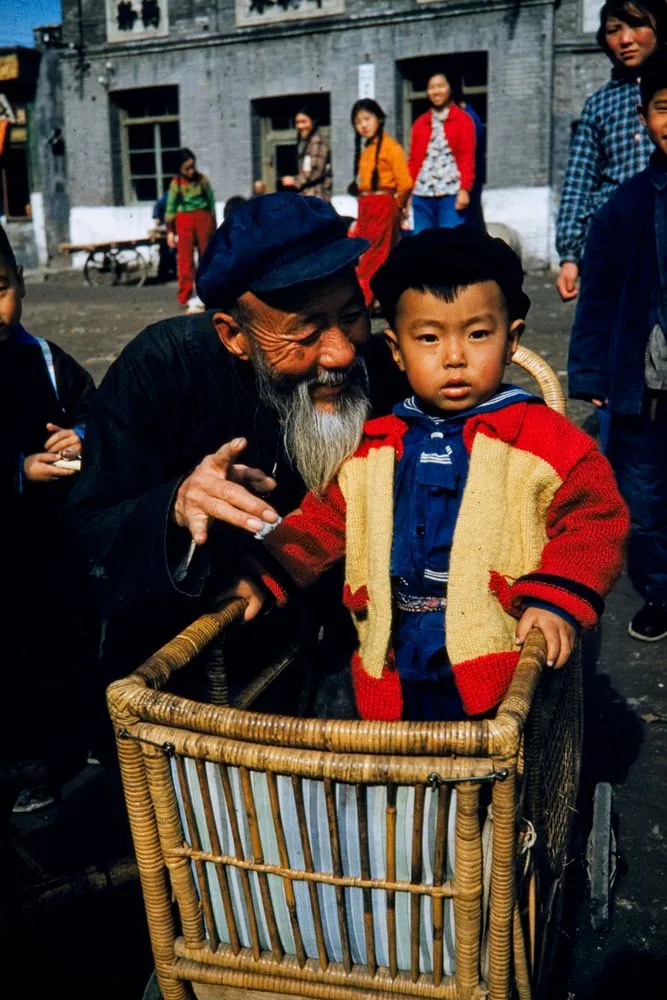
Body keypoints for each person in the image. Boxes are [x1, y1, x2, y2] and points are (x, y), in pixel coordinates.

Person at [227, 227, 628, 722]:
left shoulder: (545, 440)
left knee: (485, 785)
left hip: (498, 658)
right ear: (396, 350)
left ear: (512, 339)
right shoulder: (375, 445)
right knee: (400, 777)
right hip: (393, 660)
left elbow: (596, 521)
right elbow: (323, 523)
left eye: (478, 334)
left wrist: (556, 599)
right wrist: (266, 576)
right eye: (430, 338)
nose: (455, 357)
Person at [68, 193, 408, 700]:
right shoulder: (164, 370)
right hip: (199, 686)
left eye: (354, 315)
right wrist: (175, 509)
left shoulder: (381, 366)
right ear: (234, 336)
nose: (340, 352)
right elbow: (84, 541)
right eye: (306, 333)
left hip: (351, 665)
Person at [568, 49, 667, 642]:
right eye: (663, 108)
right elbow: (598, 297)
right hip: (645, 382)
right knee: (646, 498)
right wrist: (590, 376)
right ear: (644, 116)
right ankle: (659, 591)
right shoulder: (626, 205)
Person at [0, 224, 95, 811]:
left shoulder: (47, 360)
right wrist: (17, 470)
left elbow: (96, 409)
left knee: (62, 638)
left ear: (22, 287)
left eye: (1, 287)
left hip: (53, 542)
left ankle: (69, 747)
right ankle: (23, 768)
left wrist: (78, 437)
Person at [555, 0, 666, 302]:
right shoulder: (599, 105)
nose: (626, 39)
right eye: (614, 30)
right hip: (615, 241)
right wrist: (569, 256)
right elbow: (579, 182)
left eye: (638, 25)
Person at [349, 99, 413, 307]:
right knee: (371, 253)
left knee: (371, 258)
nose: (363, 125)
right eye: (358, 122)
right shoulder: (366, 149)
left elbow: (405, 183)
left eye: (368, 119)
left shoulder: (391, 147)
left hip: (383, 204)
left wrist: (398, 205)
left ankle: (361, 305)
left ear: (380, 119)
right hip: (367, 205)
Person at [408, 71, 477, 232]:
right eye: (431, 87)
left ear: (449, 88)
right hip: (421, 195)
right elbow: (413, 161)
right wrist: (407, 195)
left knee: (450, 245)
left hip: (450, 194)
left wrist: (464, 190)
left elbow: (467, 157)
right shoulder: (420, 123)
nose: (436, 91)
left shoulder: (463, 120)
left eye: (440, 86)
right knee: (420, 244)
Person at [165, 147, 217, 311]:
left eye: (193, 166)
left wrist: (213, 224)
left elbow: (210, 202)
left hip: (203, 219)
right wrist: (170, 232)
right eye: (187, 168)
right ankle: (185, 295)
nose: (191, 171)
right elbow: (170, 209)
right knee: (185, 260)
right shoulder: (176, 184)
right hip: (184, 220)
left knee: (207, 257)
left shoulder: (202, 180)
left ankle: (209, 292)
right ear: (179, 169)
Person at [280, 106, 332, 201]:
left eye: (304, 122)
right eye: (297, 122)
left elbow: (315, 171)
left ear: (313, 122)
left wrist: (294, 180)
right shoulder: (307, 142)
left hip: (317, 196)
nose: (300, 126)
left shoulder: (316, 141)